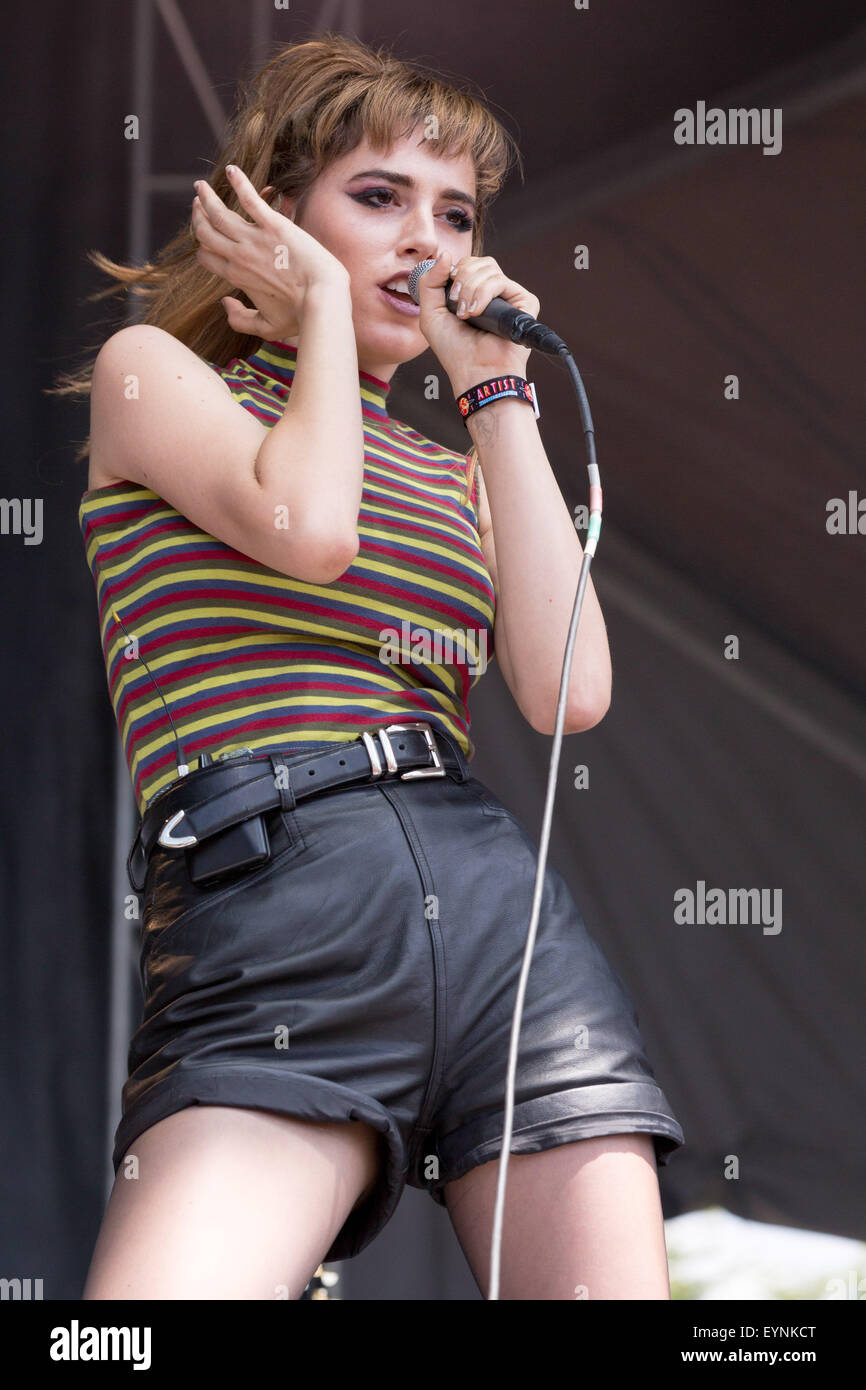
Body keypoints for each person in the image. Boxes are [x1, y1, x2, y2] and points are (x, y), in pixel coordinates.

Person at [64, 34, 684, 1300]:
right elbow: (311, 529)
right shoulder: (159, 378)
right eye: (378, 197)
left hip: (491, 905)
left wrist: (496, 395)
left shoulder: (454, 469)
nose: (429, 242)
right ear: (272, 213)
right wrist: (325, 322)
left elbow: (567, 690)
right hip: (277, 885)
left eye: (454, 214)